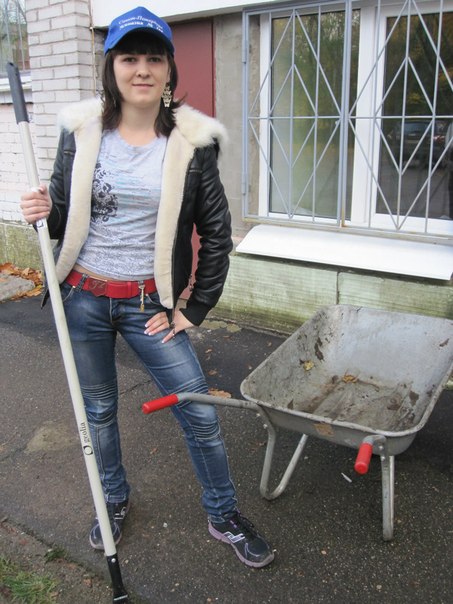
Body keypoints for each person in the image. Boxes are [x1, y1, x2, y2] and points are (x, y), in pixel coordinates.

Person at [20, 6, 274, 569]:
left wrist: (194, 308)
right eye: (129, 58)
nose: (141, 69)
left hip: (146, 305)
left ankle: (223, 513)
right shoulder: (80, 133)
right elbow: (62, 219)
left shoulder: (192, 143)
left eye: (153, 59)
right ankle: (113, 499)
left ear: (168, 70)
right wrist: (40, 211)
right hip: (82, 298)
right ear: (111, 67)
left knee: (198, 412)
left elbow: (216, 234)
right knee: (98, 411)